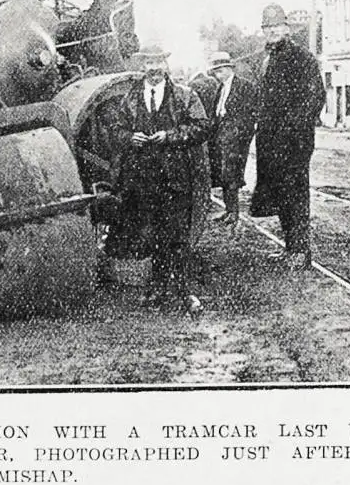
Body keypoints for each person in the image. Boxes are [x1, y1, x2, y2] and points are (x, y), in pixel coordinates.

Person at [106, 43, 210, 308]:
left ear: (166, 65)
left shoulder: (185, 96)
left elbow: (201, 127)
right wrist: (130, 137)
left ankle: (184, 292)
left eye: (159, 62)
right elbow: (115, 131)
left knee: (178, 235)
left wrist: (170, 136)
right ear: (143, 66)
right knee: (151, 235)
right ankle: (158, 290)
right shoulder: (130, 98)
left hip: (176, 178)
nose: (154, 68)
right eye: (149, 63)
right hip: (142, 179)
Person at [250, 4, 325, 268]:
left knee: (295, 194)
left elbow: (315, 97)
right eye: (267, 27)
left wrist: (292, 128)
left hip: (294, 141)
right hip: (270, 140)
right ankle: (289, 247)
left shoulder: (302, 58)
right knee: (281, 194)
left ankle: (301, 253)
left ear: (287, 28)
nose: (271, 31)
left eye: (276, 26)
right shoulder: (267, 59)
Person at [207, 51, 259, 232]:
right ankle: (229, 210)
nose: (217, 75)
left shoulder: (245, 87)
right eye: (215, 72)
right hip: (221, 137)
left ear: (229, 69)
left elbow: (251, 114)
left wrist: (239, 133)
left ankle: (234, 213)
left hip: (236, 139)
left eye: (220, 71)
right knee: (223, 174)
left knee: (232, 175)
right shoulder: (220, 88)